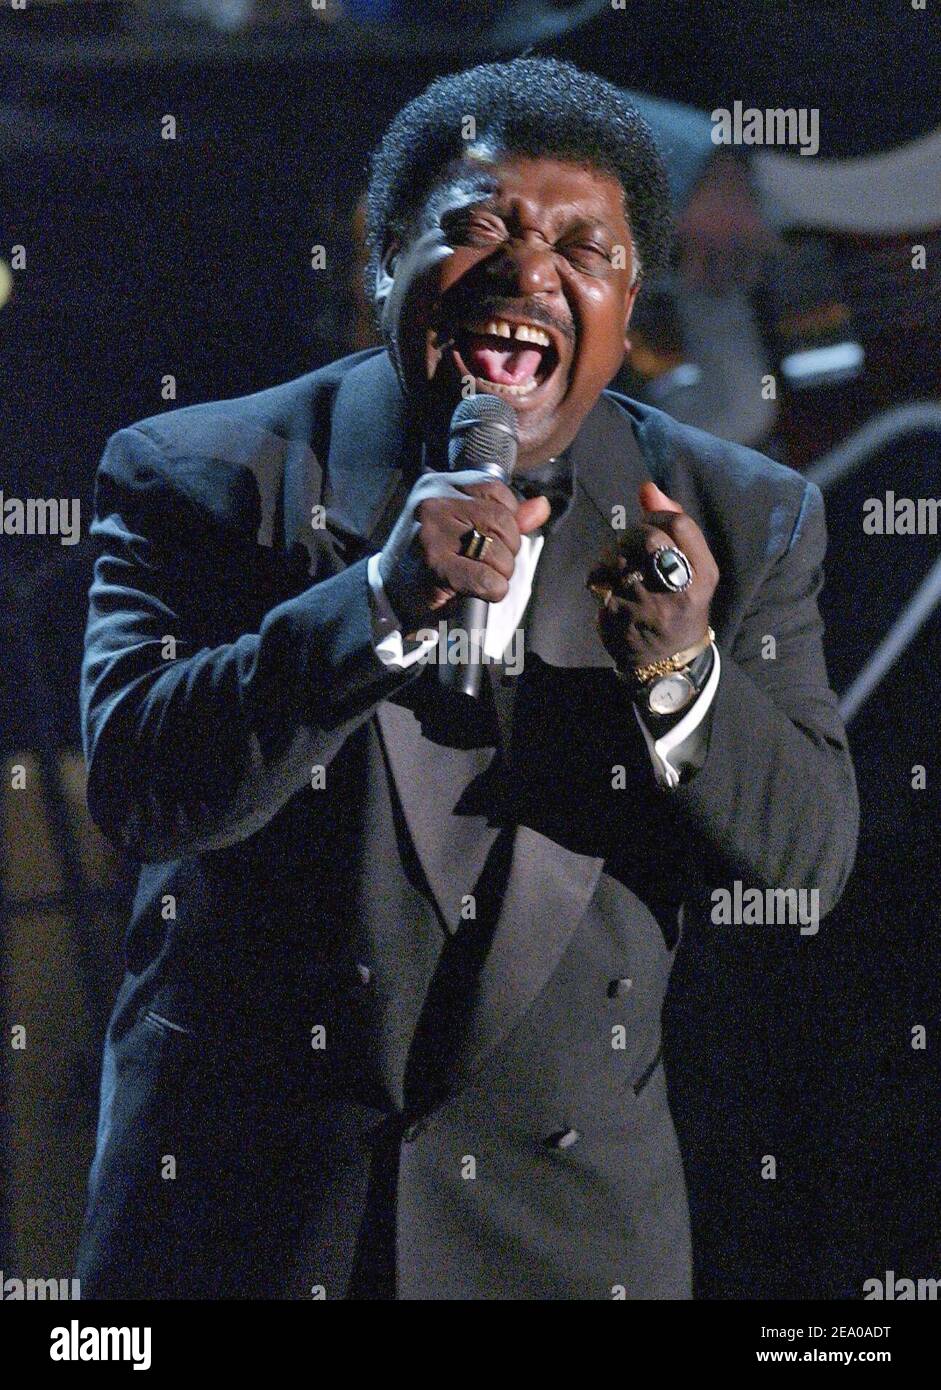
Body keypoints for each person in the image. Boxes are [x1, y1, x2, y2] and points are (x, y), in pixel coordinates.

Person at [75, 57, 858, 1300]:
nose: (526, 270)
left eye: (578, 247)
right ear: (383, 258)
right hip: (243, 1234)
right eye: (480, 226)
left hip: (563, 1243)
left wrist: (679, 669)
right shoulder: (201, 472)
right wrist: (370, 604)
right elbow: (141, 787)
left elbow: (806, 858)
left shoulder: (739, 513)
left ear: (628, 297)